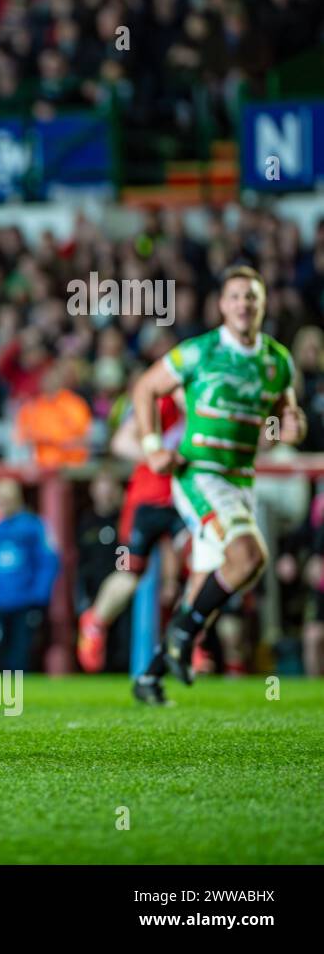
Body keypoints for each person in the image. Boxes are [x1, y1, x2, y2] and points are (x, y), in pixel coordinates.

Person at [130, 265, 305, 704]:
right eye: (236, 296)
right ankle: (183, 638)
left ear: (263, 305)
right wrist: (153, 446)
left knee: (205, 591)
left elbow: (278, 419)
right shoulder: (200, 352)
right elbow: (146, 388)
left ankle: (150, 676)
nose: (244, 304)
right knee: (249, 556)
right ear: (222, 305)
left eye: (252, 296)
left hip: (241, 478)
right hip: (200, 474)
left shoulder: (277, 361)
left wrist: (287, 426)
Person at [77, 393, 186, 673]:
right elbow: (121, 442)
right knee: (128, 571)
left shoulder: (209, 409)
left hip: (187, 502)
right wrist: (160, 457)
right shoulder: (160, 405)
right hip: (146, 503)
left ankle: (190, 639)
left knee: (200, 566)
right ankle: (95, 624)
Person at [0, 478, 60, 670]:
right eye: (1, 499)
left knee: (22, 655)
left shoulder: (34, 527)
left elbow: (48, 562)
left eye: (9, 498)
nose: (5, 503)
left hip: (25, 603)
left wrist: (38, 597)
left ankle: (22, 696)